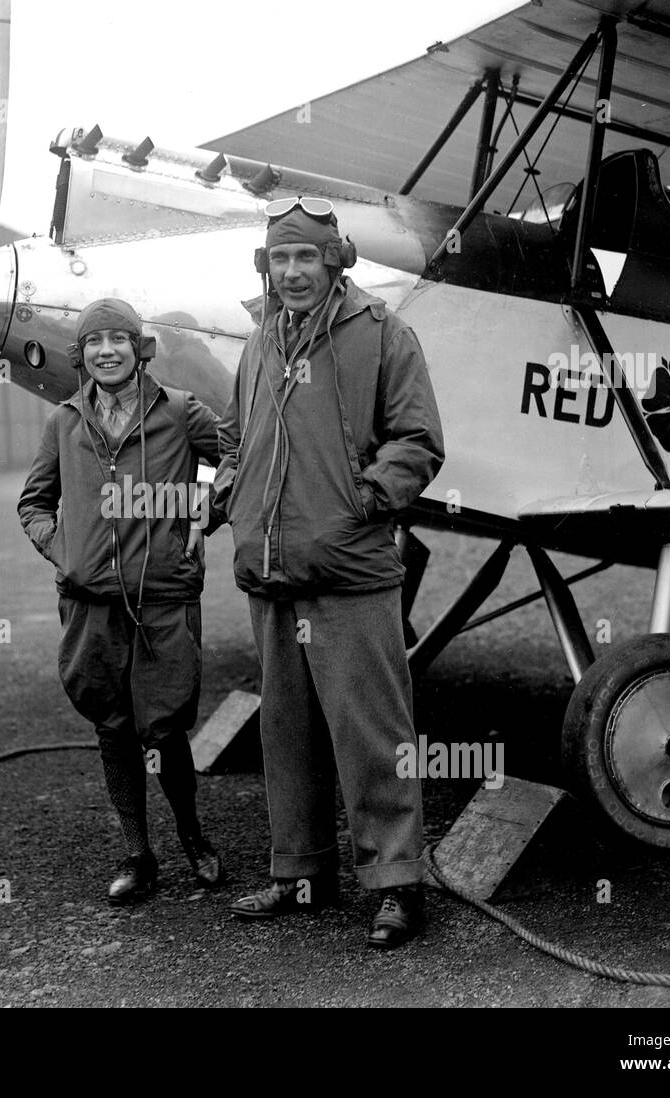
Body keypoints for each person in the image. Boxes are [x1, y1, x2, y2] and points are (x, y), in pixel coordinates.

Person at [209, 198, 445, 948]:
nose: (293, 272)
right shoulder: (258, 345)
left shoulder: (384, 336)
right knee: (287, 732)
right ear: (266, 267)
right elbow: (239, 439)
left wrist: (364, 502)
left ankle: (398, 885)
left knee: (373, 734)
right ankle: (300, 875)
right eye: (280, 259)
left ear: (334, 259)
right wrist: (227, 496)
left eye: (306, 257)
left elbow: (418, 439)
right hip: (272, 571)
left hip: (350, 571)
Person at [18, 298, 227, 904]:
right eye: (93, 341)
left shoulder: (181, 413)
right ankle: (139, 856)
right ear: (79, 354)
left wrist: (204, 511)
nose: (106, 350)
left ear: (140, 349)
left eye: (118, 338)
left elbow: (240, 457)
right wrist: (62, 550)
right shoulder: (63, 422)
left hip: (162, 596)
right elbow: (34, 501)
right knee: (112, 728)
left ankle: (193, 837)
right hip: (89, 602)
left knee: (163, 727)